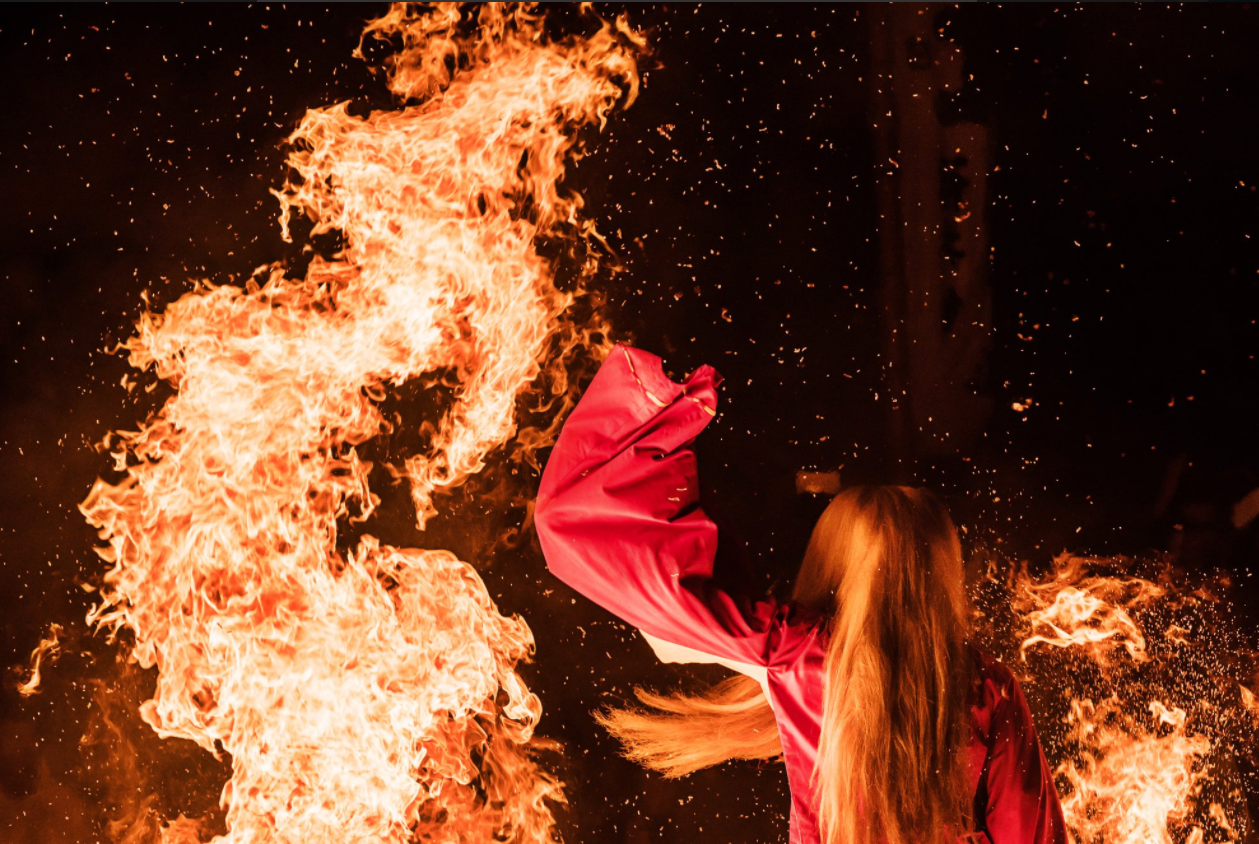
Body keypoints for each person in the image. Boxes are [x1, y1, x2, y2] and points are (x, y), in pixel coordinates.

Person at [534, 345, 1068, 844]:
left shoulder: (796, 653)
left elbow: (657, 609)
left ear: (835, 563)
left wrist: (656, 413)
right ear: (941, 572)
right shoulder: (987, 686)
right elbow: (1031, 831)